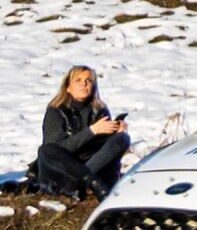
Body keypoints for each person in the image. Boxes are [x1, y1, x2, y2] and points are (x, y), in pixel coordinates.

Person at [34, 66, 129, 201]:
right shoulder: (55, 111)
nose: (84, 84)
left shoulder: (99, 110)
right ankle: (91, 182)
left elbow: (102, 148)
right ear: (68, 87)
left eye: (88, 80)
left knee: (122, 139)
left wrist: (115, 130)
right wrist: (92, 131)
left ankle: (85, 182)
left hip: (91, 164)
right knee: (46, 149)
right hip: (65, 169)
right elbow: (58, 149)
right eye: (78, 80)